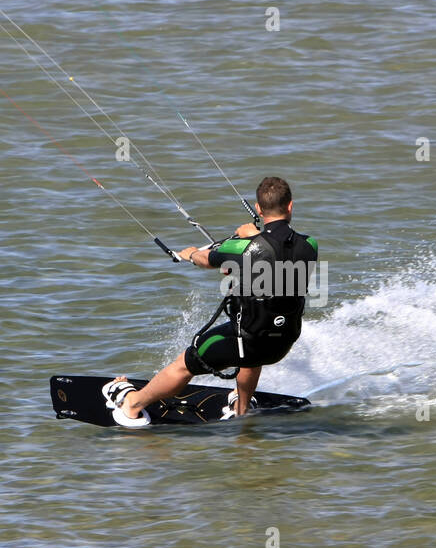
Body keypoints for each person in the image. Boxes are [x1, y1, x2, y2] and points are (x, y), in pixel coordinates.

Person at [102, 176, 318, 426]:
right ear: (290, 206)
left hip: (247, 341)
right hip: (283, 341)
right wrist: (254, 239)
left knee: (186, 363)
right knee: (259, 330)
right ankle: (241, 408)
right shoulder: (309, 245)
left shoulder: (244, 247)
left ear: (258, 209)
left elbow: (209, 259)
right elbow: (277, 255)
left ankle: (133, 404)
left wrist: (191, 253)